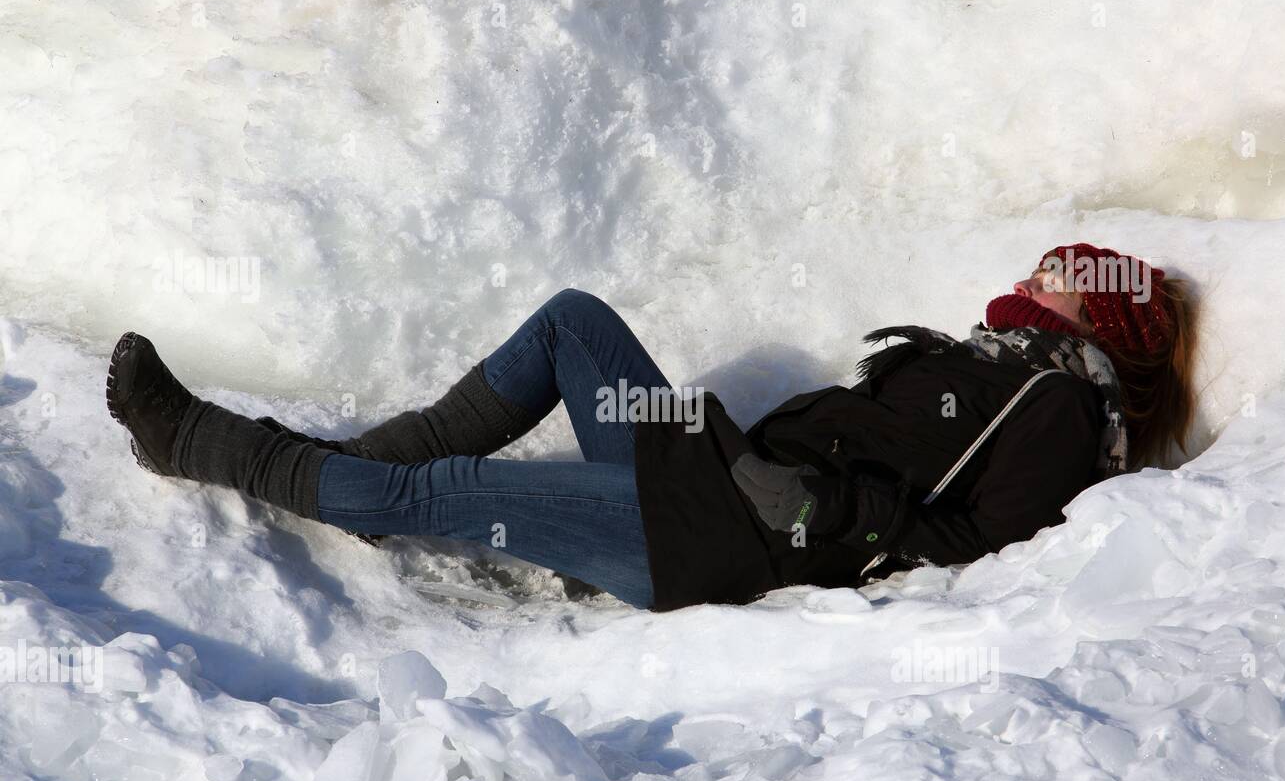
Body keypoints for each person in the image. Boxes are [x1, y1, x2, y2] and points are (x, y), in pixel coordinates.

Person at [106, 243, 1195, 611]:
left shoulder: (1058, 405)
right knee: (575, 325)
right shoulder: (996, 363)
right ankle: (353, 470)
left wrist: (829, 508)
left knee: (436, 498)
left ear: (1107, 312)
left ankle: (199, 444)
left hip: (731, 537)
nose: (1049, 262)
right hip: (716, 472)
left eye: (1076, 266)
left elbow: (984, 542)